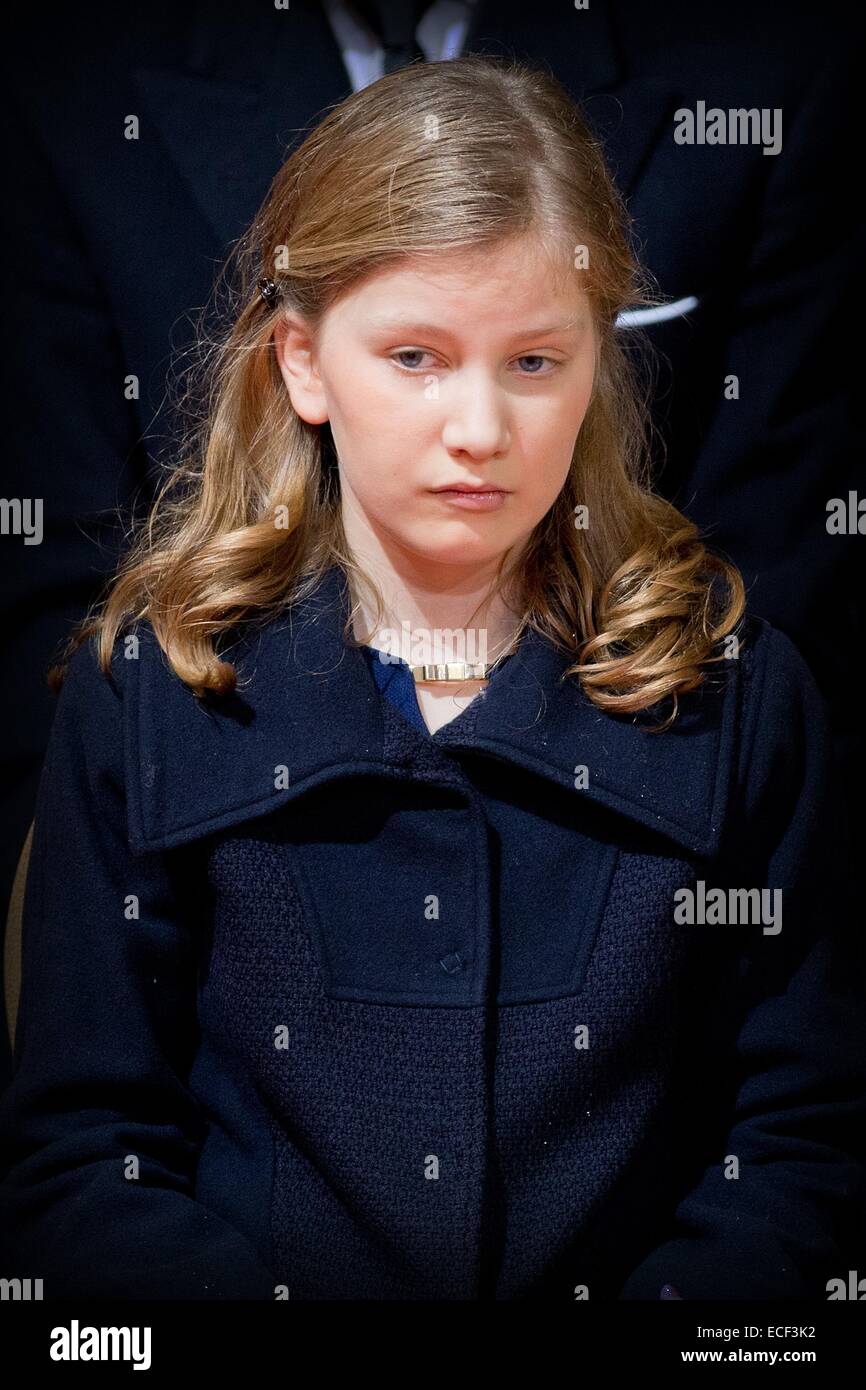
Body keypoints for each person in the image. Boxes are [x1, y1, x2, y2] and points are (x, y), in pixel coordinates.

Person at [0, 55, 862, 1302]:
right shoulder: (154, 692)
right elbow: (83, 1159)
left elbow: (800, 1143)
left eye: (532, 362)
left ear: (594, 366)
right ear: (302, 363)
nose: (478, 427)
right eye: (413, 356)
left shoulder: (731, 695)